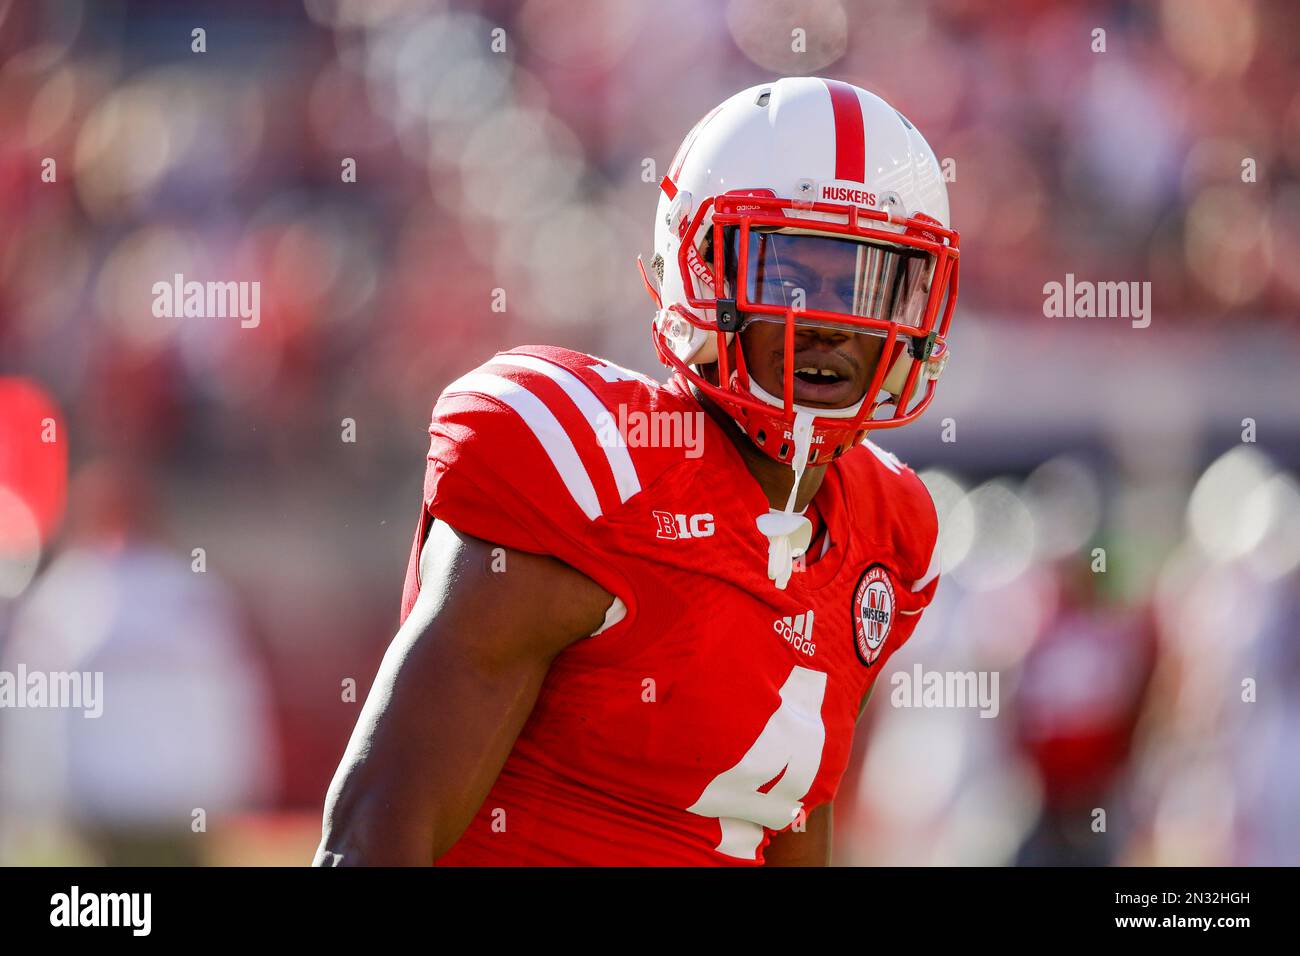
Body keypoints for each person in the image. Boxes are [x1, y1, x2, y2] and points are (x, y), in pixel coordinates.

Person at [315, 76, 959, 866]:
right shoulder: (592, 469)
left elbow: (787, 813)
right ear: (702, 271)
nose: (831, 321)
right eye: (788, 273)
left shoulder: (888, 531)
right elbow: (377, 834)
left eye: (862, 281)